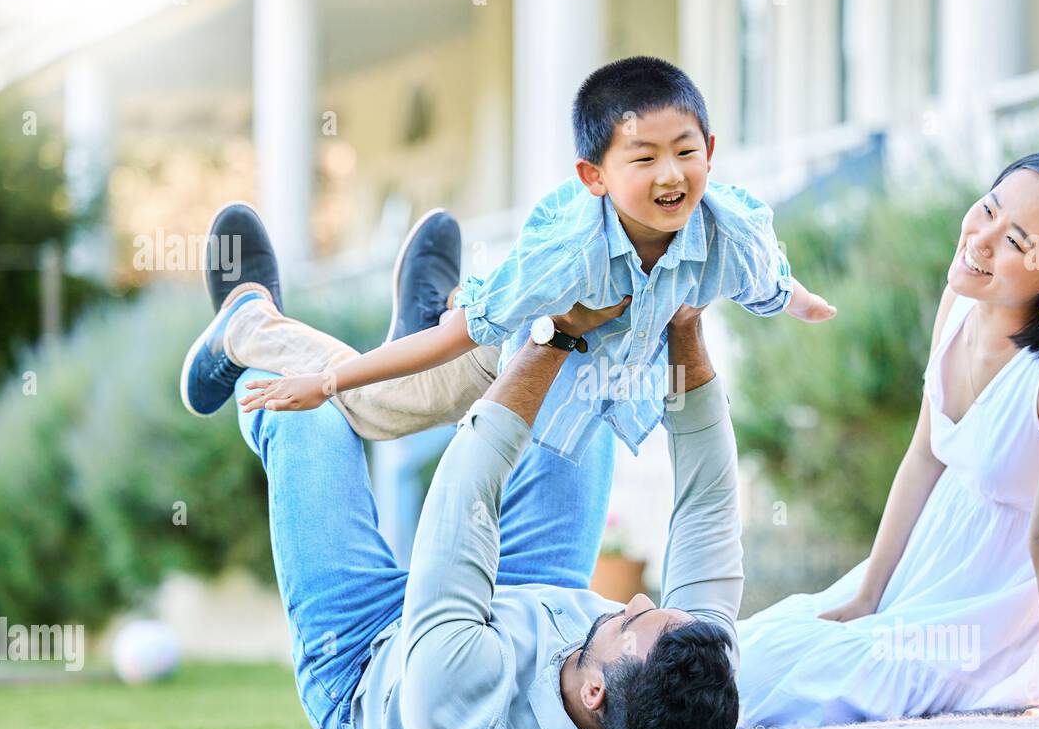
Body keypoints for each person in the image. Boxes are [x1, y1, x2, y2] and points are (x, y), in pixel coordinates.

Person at [188, 55, 836, 593]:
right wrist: (326, 385)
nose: (671, 174)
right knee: (379, 410)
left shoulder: (732, 233)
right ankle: (250, 324)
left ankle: (432, 304)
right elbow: (456, 342)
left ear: (710, 152)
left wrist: (805, 304)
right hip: (500, 350)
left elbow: (772, 283)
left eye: (685, 152)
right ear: (595, 177)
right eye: (643, 159)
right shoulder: (570, 256)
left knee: (549, 475)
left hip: (578, 386)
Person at [179, 207, 743, 729]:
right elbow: (709, 503)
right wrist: (685, 328)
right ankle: (439, 334)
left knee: (297, 411)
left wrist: (555, 337)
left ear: (595, 692)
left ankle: (247, 327)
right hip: (530, 595)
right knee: (583, 392)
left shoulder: (456, 695)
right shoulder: (700, 664)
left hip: (366, 654)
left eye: (634, 619)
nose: (639, 598)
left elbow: (462, 494)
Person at [736, 148, 1039, 727]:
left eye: (1016, 241)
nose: (981, 239)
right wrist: (869, 595)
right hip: (949, 544)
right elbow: (924, 455)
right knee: (763, 646)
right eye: (988, 208)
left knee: (825, 686)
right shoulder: (962, 298)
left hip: (1020, 579)